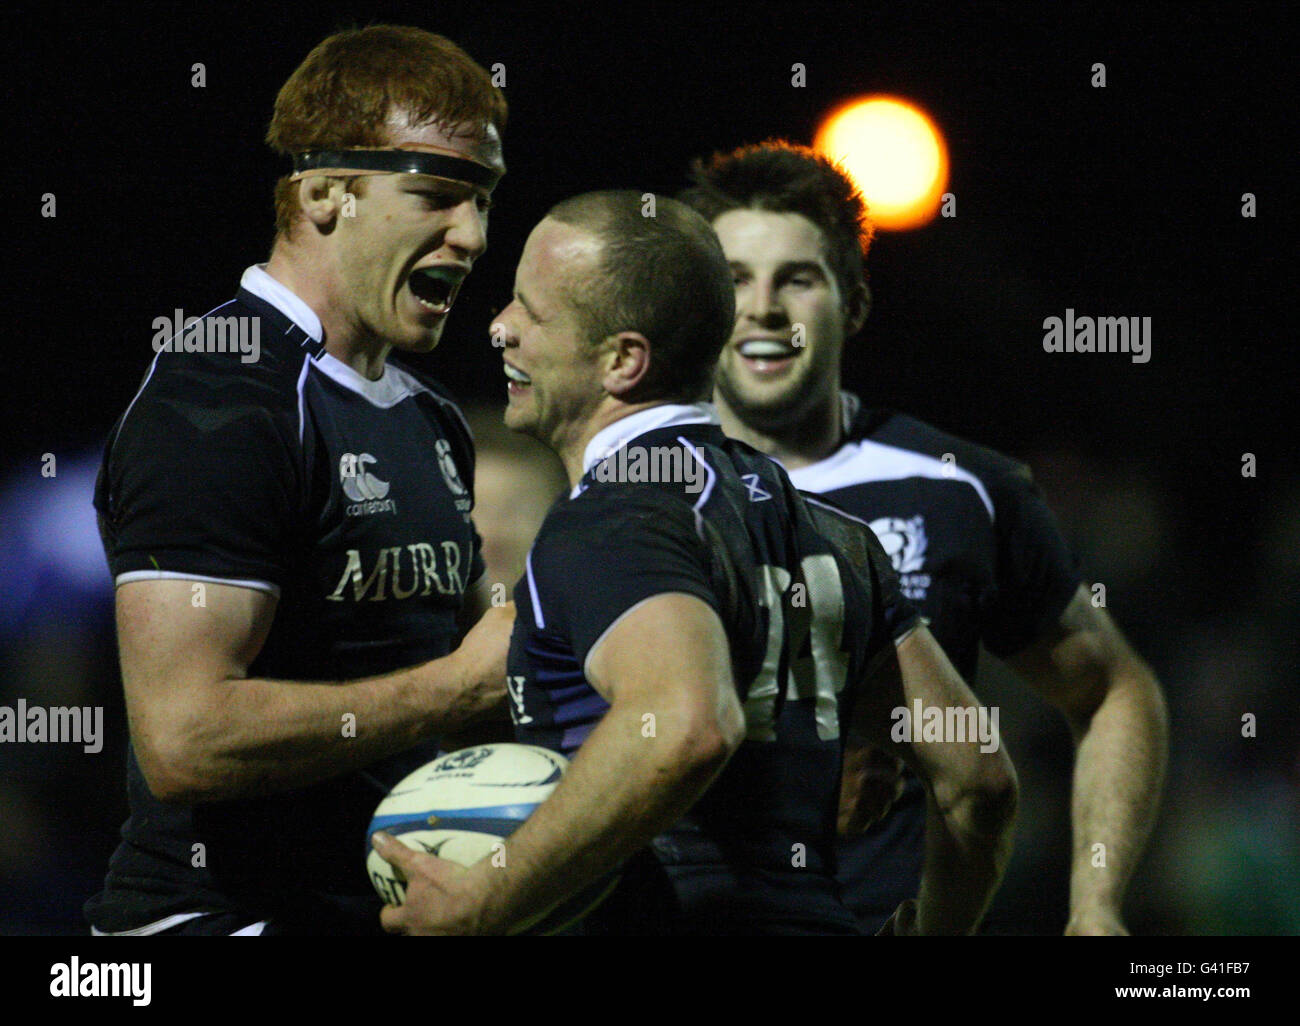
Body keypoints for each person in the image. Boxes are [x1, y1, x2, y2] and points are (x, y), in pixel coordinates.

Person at [372, 191, 1017, 935]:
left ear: (623, 360)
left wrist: (487, 897)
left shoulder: (612, 519)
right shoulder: (831, 533)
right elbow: (980, 778)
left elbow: (689, 723)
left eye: (530, 312)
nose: (499, 328)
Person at [677, 141, 1169, 935]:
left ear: (856, 304)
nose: (763, 306)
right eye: (734, 280)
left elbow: (1113, 688)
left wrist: (1097, 906)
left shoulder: (957, 488)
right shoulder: (639, 492)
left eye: (797, 279)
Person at [87, 25, 513, 937]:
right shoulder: (219, 396)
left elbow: (492, 666)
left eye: (482, 199)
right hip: (213, 921)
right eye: (436, 194)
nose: (472, 235)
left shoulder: (429, 414)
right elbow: (183, 738)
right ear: (325, 193)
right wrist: (454, 691)